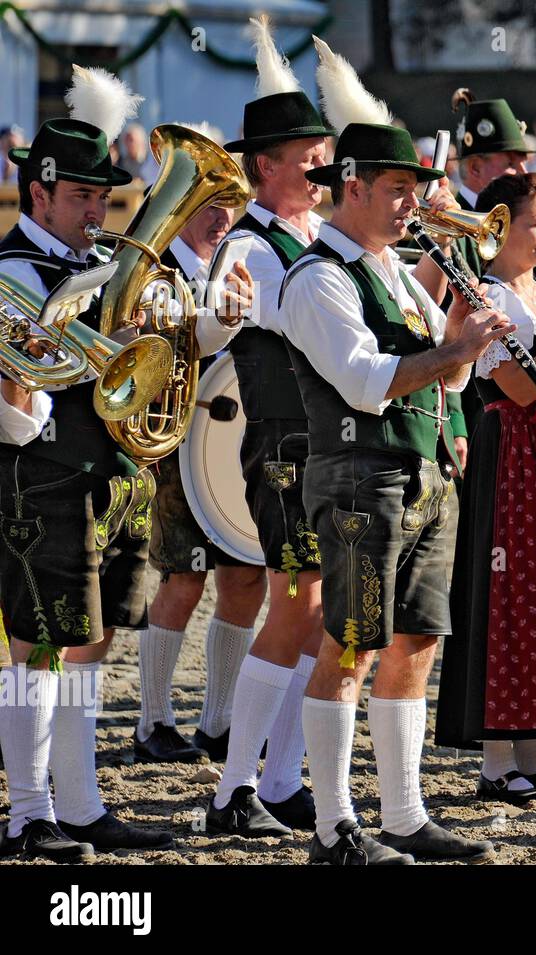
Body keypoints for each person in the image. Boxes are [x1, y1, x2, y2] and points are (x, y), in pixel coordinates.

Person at [0, 66, 247, 861]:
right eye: (81, 197)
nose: (97, 212)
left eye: (103, 197)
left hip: (115, 479)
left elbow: (175, 355)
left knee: (92, 640)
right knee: (35, 646)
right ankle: (28, 810)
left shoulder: (112, 263)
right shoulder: (12, 273)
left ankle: (78, 801)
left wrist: (208, 325)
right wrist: (110, 339)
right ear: (38, 194)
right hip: (39, 477)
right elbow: (28, 390)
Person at [277, 39, 507, 864]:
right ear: (353, 188)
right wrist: (453, 351)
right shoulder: (318, 278)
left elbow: (439, 380)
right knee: (349, 643)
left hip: (417, 474)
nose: (413, 207)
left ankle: (405, 813)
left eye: (415, 191)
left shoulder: (397, 269)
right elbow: (364, 380)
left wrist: (465, 343)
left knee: (414, 641)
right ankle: (335, 824)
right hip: (356, 477)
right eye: (400, 191)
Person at [203, 15, 337, 838]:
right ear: (266, 166)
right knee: (294, 606)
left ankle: (281, 777)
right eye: (309, 157)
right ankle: (231, 790)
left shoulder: (313, 233)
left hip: (327, 441)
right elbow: (217, 322)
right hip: (286, 444)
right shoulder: (249, 244)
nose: (323, 166)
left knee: (318, 612)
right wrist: (223, 314)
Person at [435, 172, 536, 805]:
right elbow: (520, 389)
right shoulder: (487, 293)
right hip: (517, 449)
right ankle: (498, 765)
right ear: (501, 226)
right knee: (514, 600)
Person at [135, 193, 269, 767]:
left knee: (246, 578)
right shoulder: (156, 274)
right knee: (182, 581)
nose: (222, 217)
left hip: (236, 441)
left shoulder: (241, 260)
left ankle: (219, 722)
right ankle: (153, 721)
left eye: (230, 206)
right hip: (179, 443)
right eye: (209, 204)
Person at [444, 89, 536, 449]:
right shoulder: (452, 230)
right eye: (511, 162)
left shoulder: (512, 225)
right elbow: (442, 329)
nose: (523, 172)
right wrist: (455, 424)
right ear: (476, 167)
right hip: (475, 415)